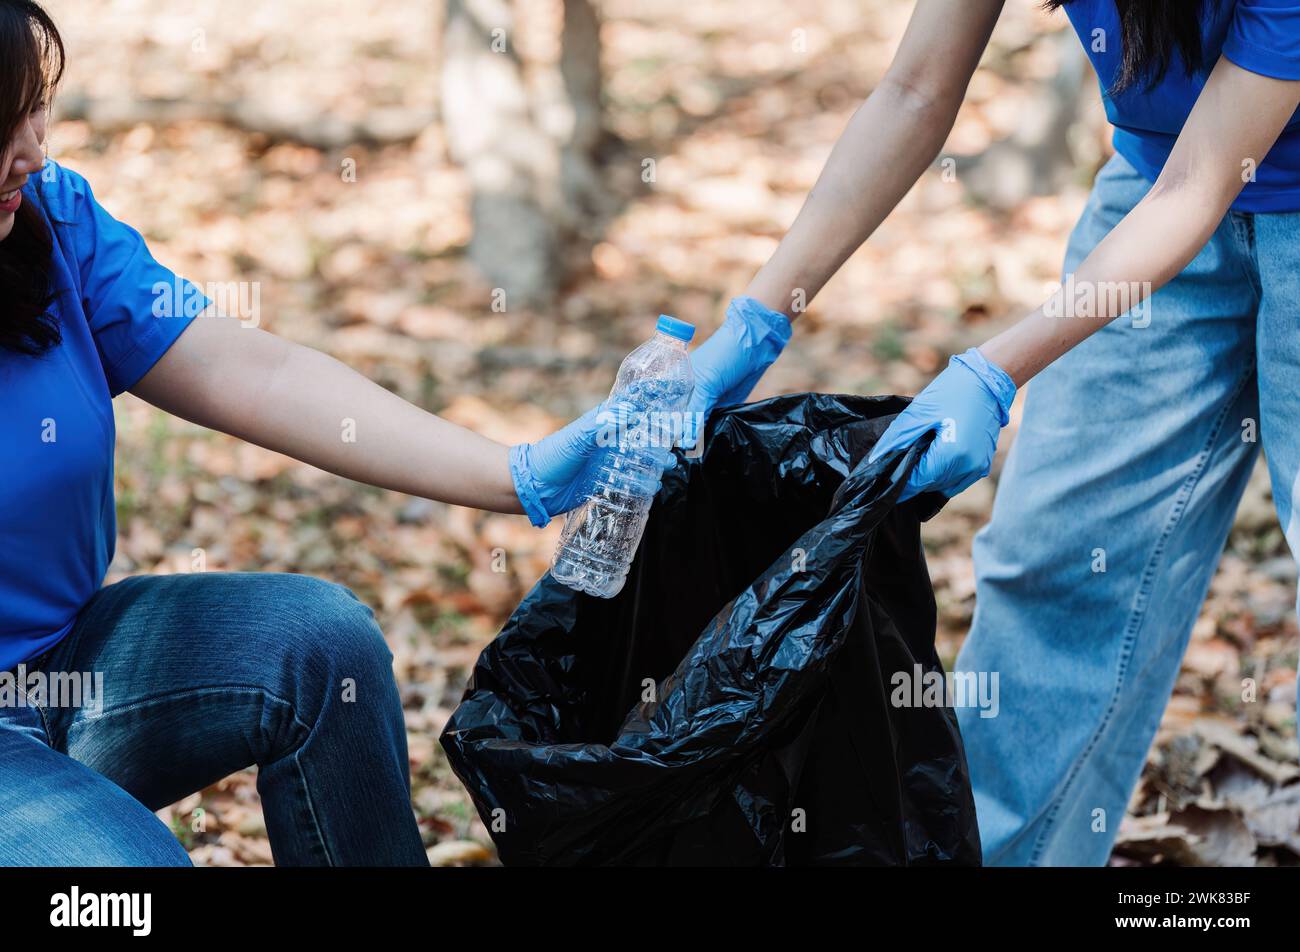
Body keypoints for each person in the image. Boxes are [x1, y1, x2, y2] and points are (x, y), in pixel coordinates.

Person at [0, 0, 649, 865]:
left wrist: (517, 473)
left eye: (31, 108)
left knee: (318, 646)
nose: (33, 150)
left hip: (65, 672)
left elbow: (252, 371)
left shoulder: (51, 219)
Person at [688, 0, 1300, 865]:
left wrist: (995, 368)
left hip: (1194, 186)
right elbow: (912, 90)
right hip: (1152, 187)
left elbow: (1204, 184)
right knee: (1054, 565)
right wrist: (756, 318)